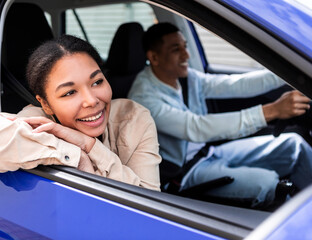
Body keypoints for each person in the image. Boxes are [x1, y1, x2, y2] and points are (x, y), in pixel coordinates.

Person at [128, 22, 312, 207]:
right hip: (184, 172)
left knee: (295, 146)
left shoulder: (186, 78)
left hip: (209, 152)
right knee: (268, 183)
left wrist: (292, 68)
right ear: (154, 57)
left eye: (185, 46)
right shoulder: (143, 98)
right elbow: (195, 127)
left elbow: (235, 85)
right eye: (176, 49)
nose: (186, 55)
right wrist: (272, 110)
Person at [0, 35, 161, 191]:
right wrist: (76, 156)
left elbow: (152, 205)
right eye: (69, 92)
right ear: (46, 104)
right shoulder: (39, 119)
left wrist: (89, 145)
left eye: (97, 82)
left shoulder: (133, 117)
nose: (91, 100)